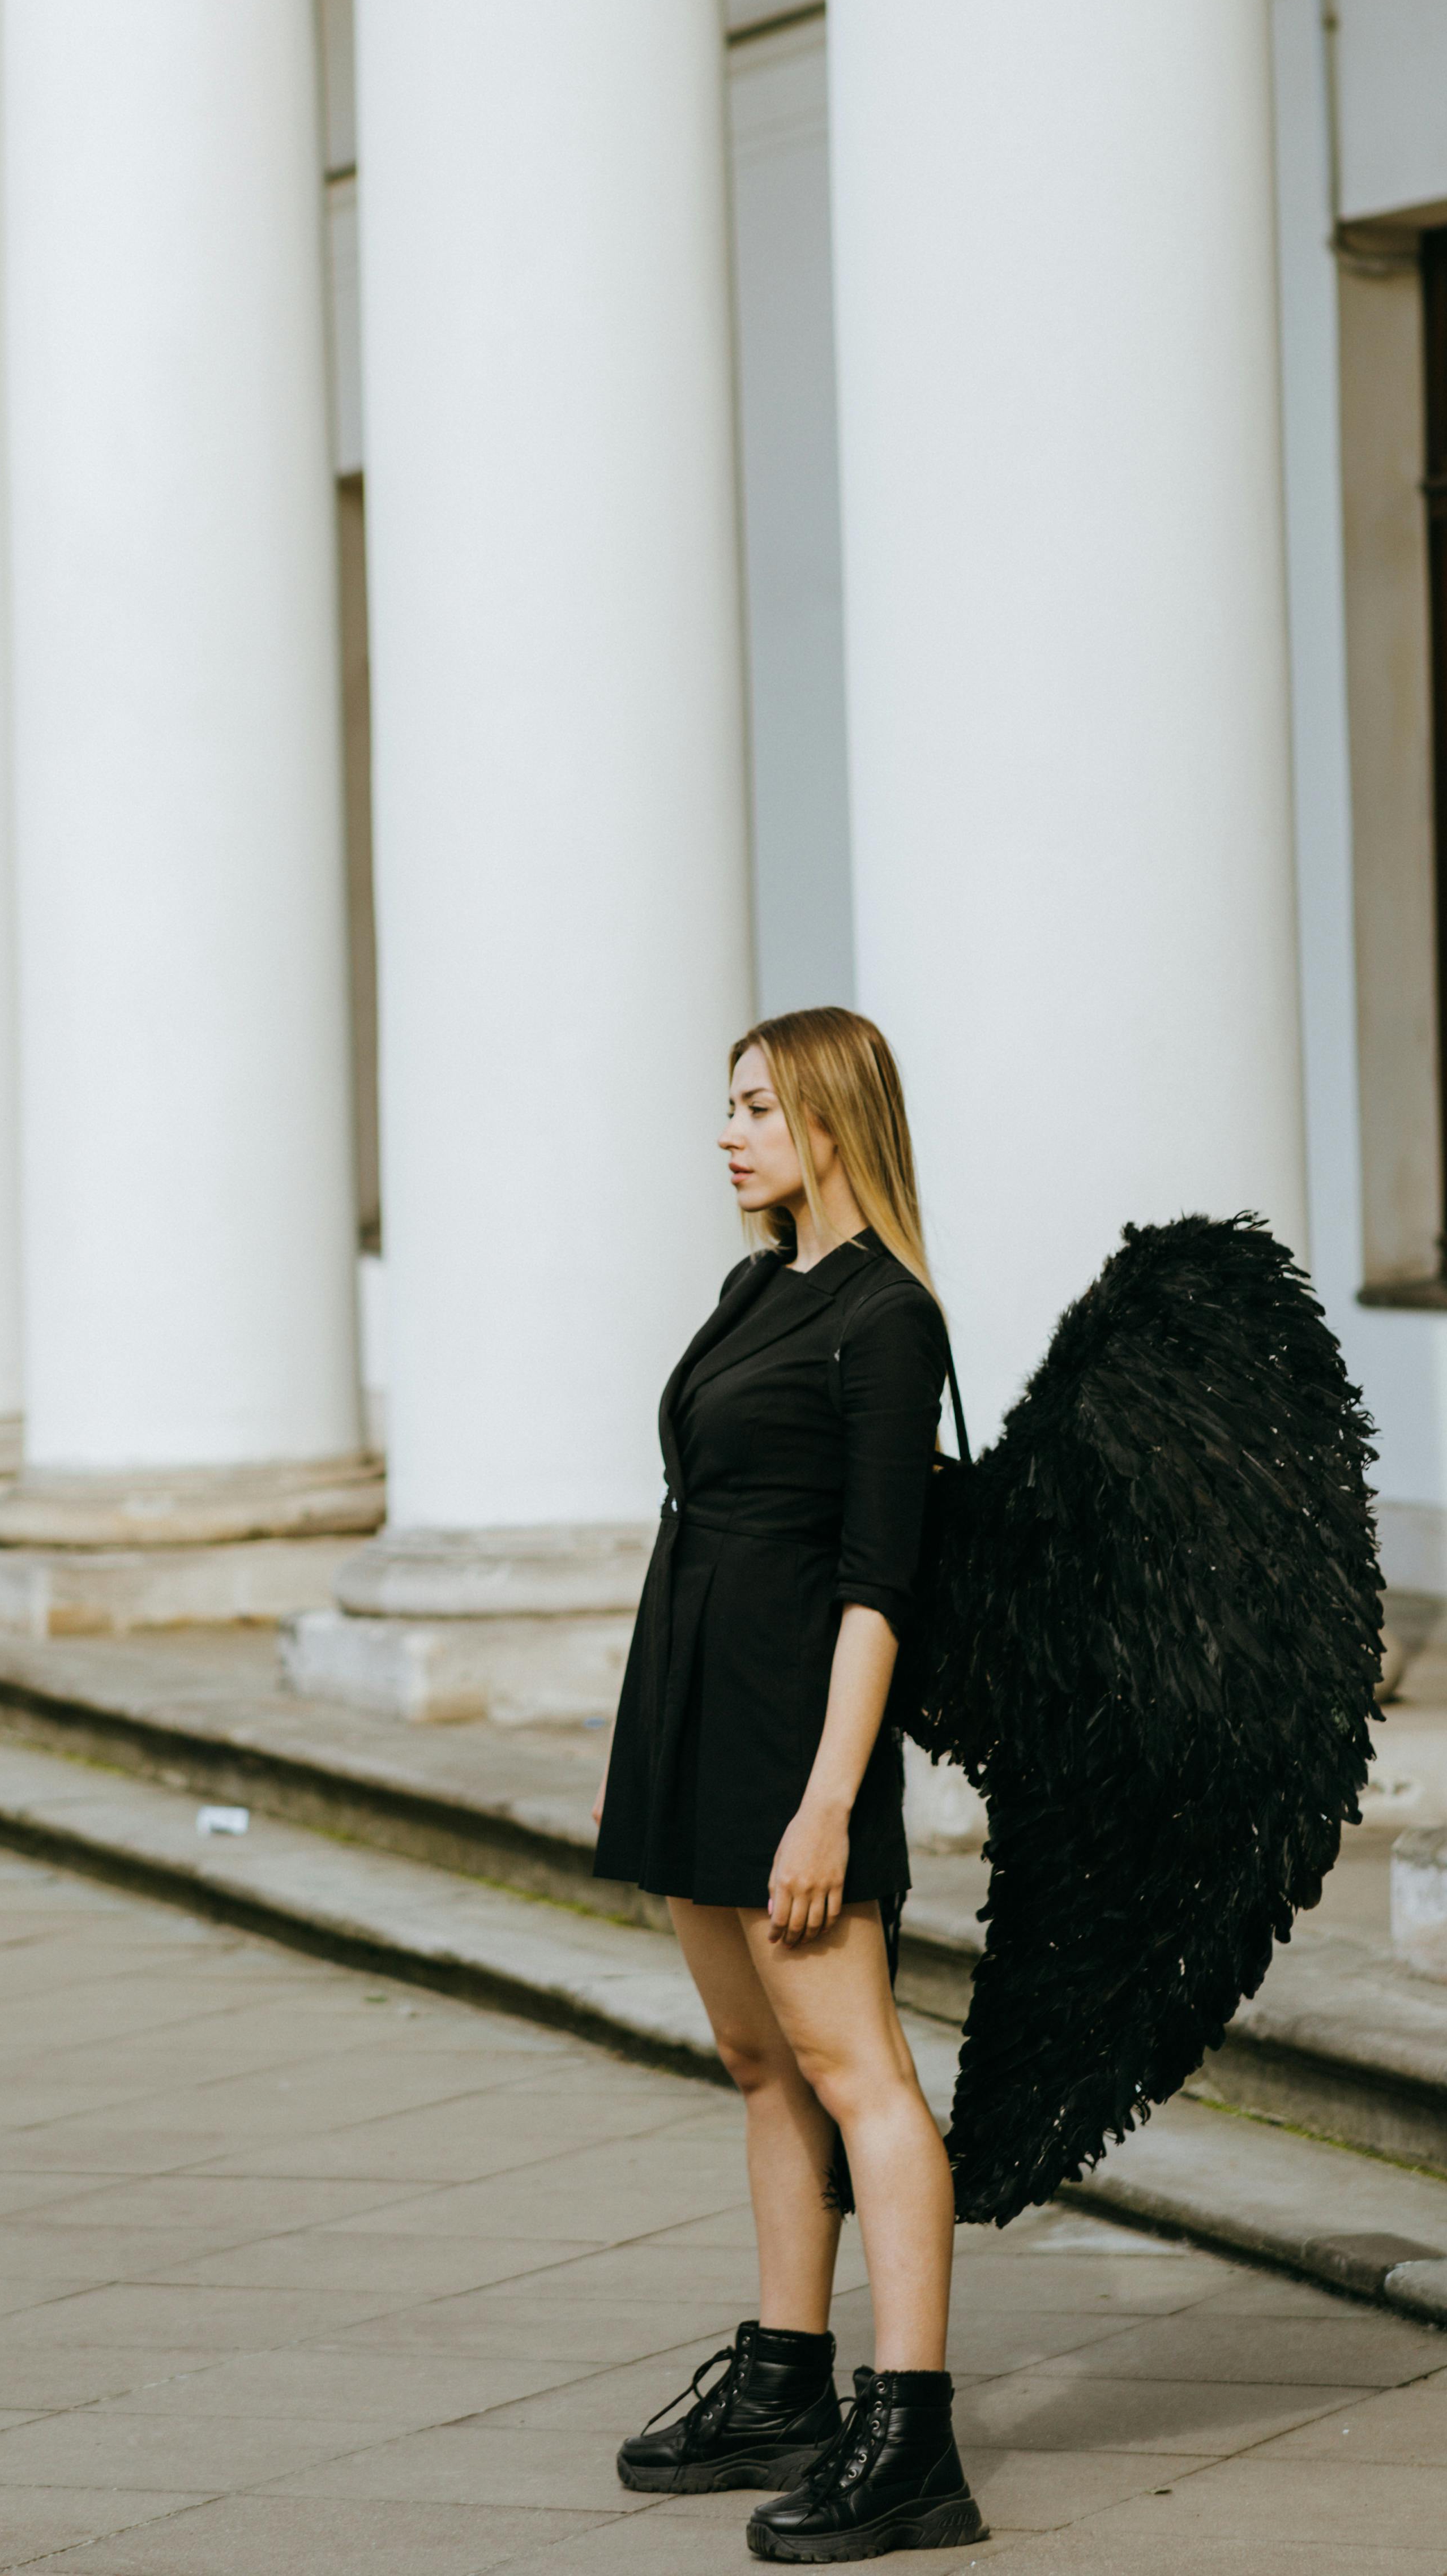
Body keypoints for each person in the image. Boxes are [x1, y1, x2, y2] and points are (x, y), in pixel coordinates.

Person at [592, 1006, 984, 2562]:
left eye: (757, 1106)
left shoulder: (887, 1318)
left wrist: (829, 1802)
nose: (729, 1131)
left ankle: (913, 2438)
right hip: (695, 1717)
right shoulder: (759, 1284)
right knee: (761, 2066)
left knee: (858, 2072)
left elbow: (880, 1585)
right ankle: (783, 2383)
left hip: (790, 1740)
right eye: (730, 1104)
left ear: (832, 1120)